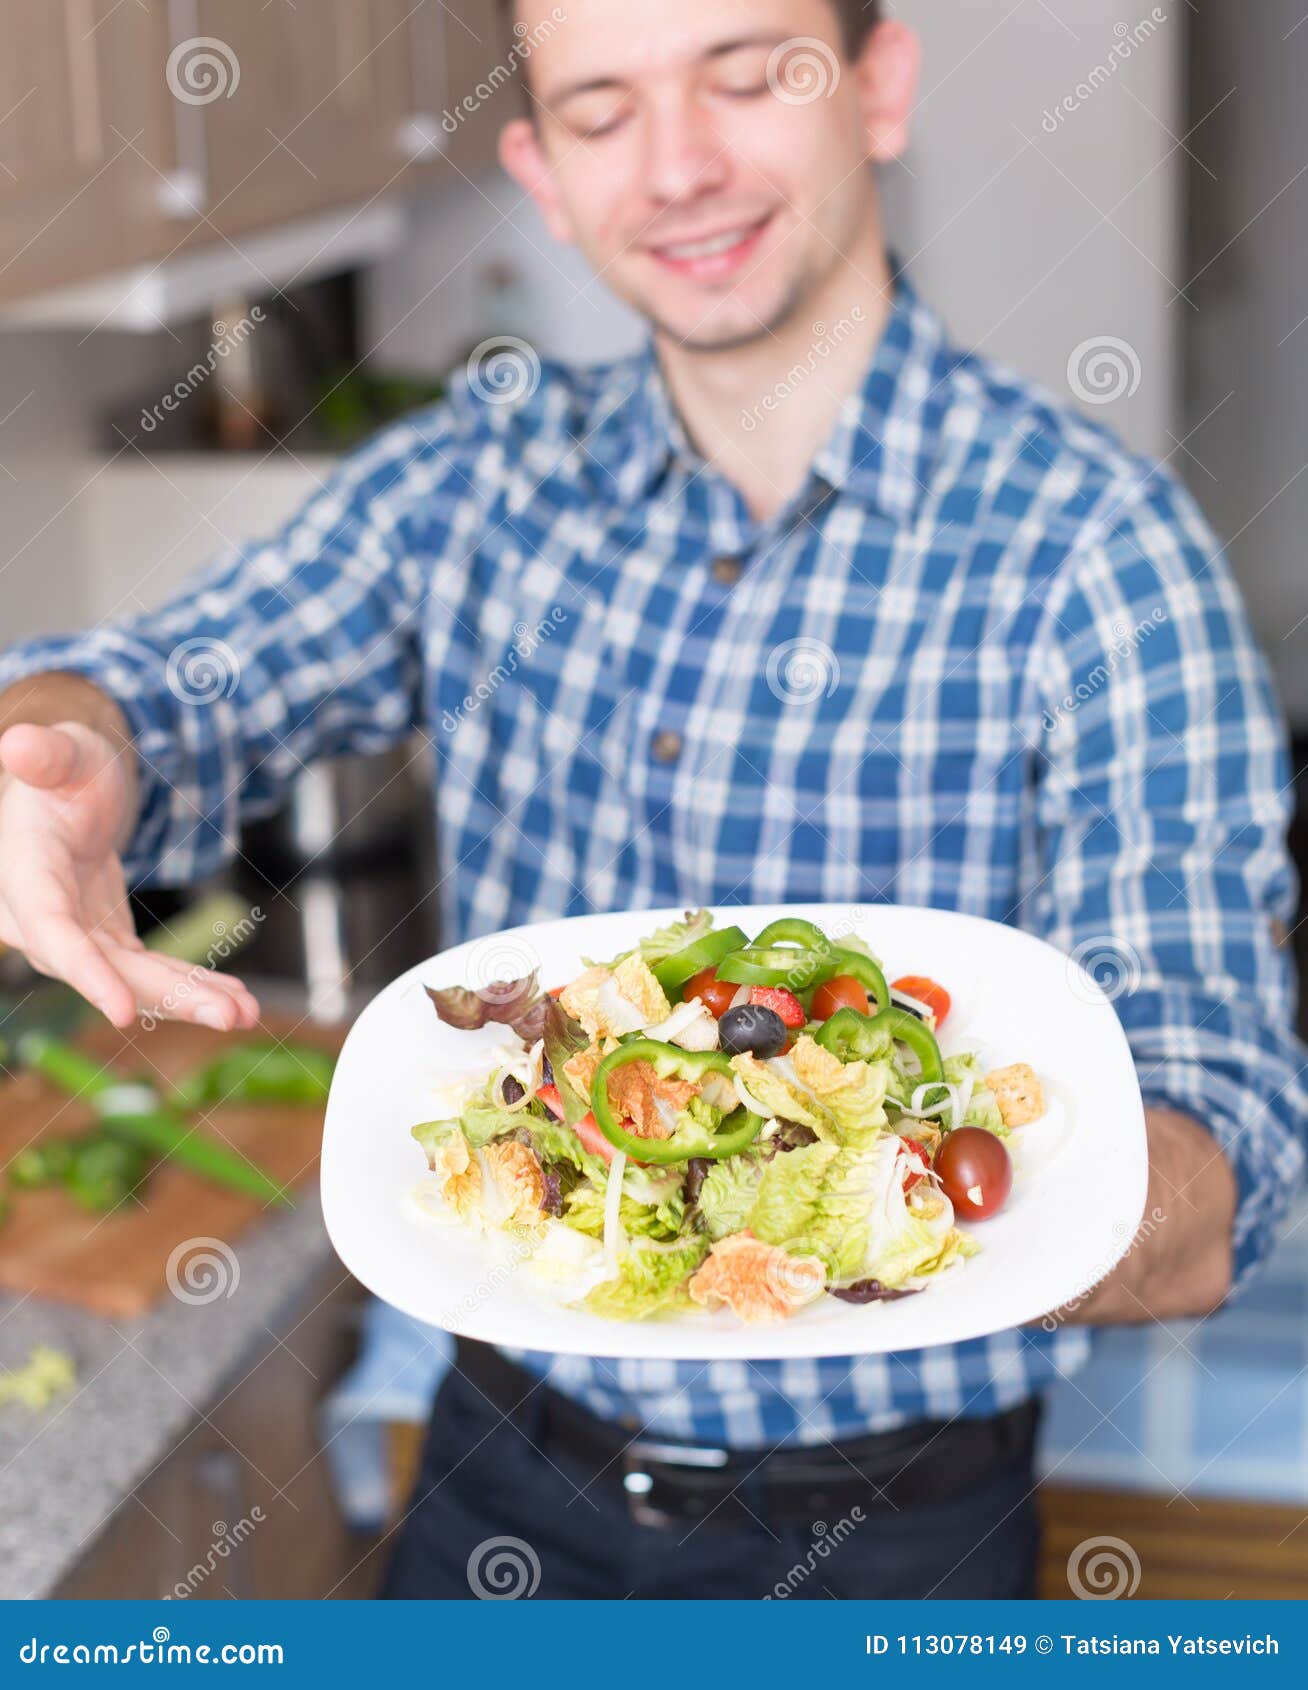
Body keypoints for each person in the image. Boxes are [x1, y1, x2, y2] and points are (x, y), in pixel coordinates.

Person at [0, 0, 1303, 1600]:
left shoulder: (1103, 556)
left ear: (879, 85)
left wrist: (901, 1203)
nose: (680, 164)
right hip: (503, 1473)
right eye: (605, 109)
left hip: (892, 1535)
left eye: (747, 73)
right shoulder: (470, 484)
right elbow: (164, 685)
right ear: (542, 172)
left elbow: (1223, 1167)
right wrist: (57, 753)